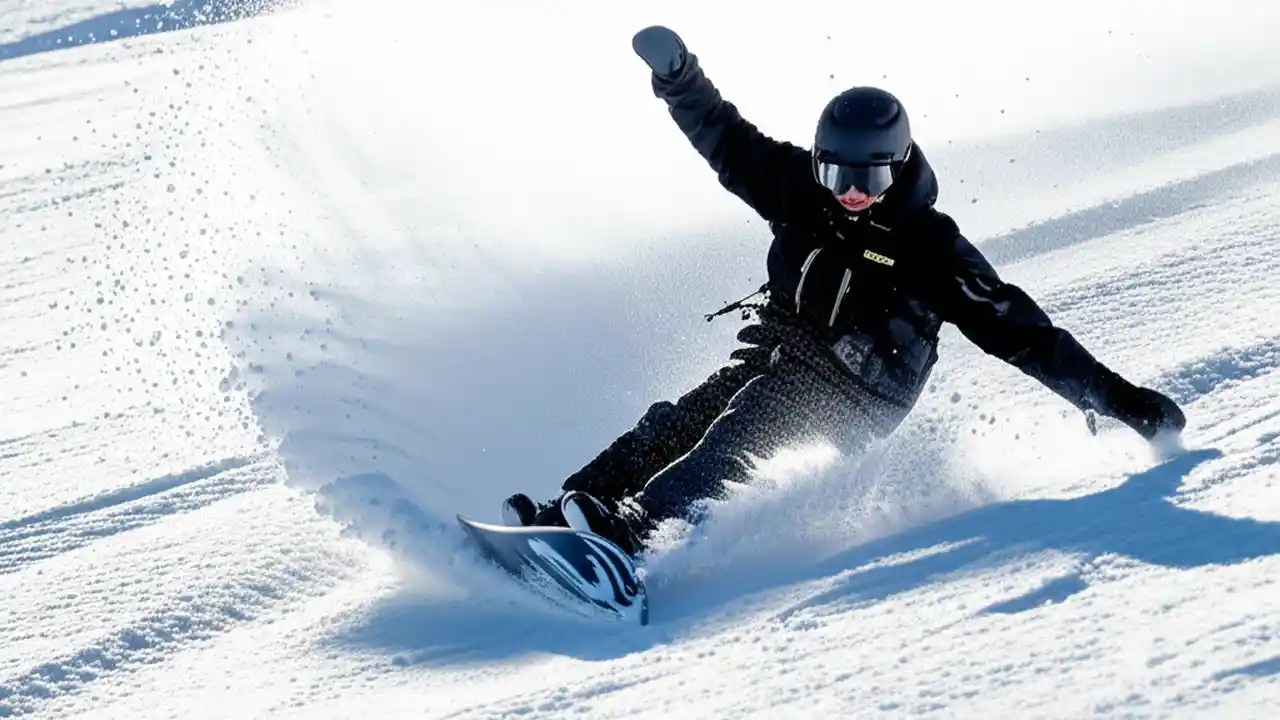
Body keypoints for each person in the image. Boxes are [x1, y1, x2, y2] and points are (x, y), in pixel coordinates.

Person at [500, 26, 1186, 555]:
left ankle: (634, 539)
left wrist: (1118, 399)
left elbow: (1019, 330)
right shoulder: (800, 189)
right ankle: (574, 511)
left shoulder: (928, 244)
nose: (854, 194)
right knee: (675, 422)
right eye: (839, 176)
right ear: (820, 162)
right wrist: (680, 78)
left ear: (900, 168)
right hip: (783, 351)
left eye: (873, 179)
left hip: (862, 388)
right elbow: (728, 142)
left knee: (737, 440)